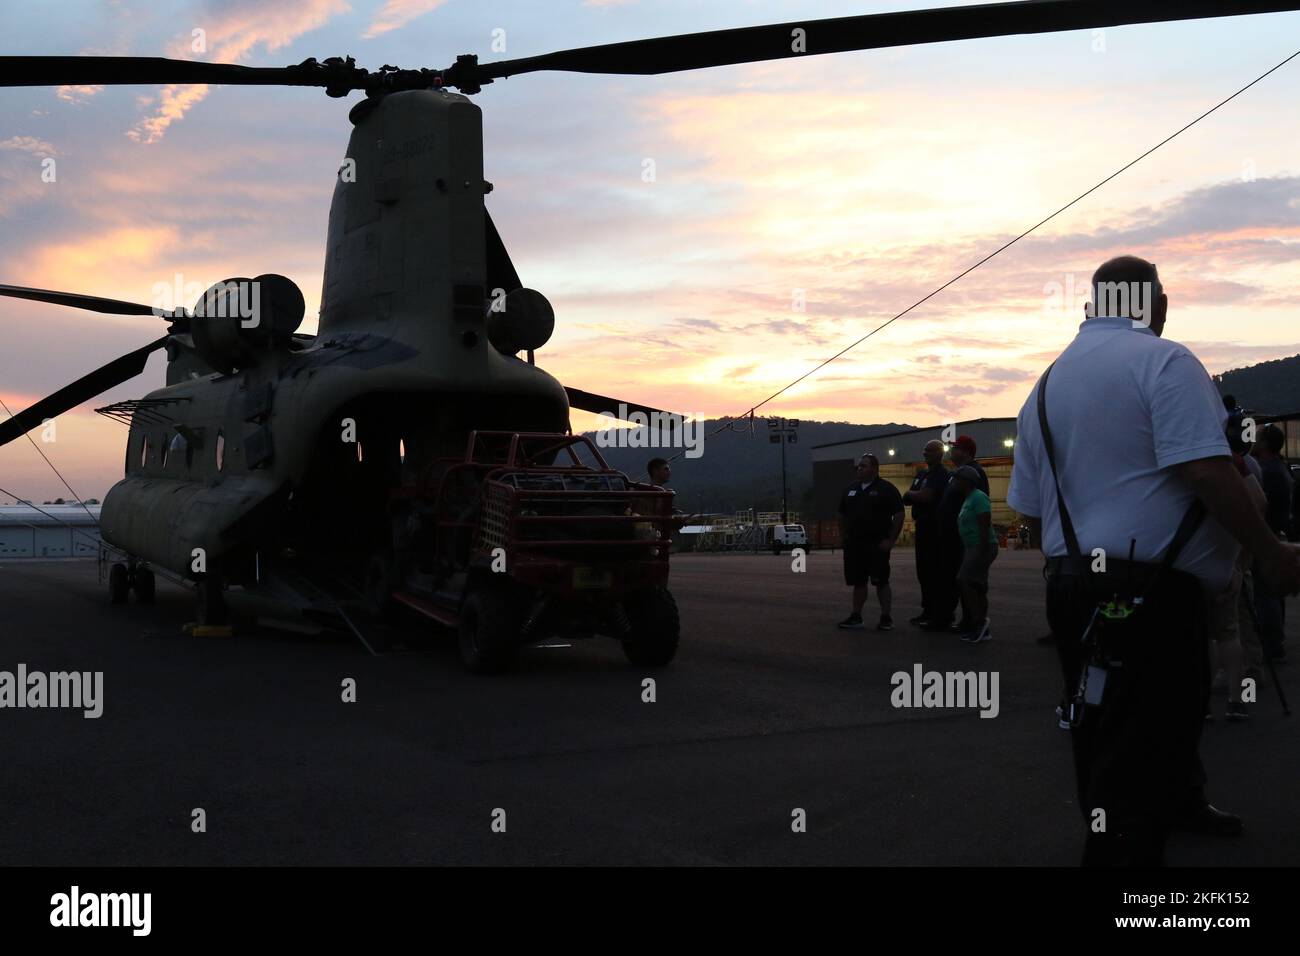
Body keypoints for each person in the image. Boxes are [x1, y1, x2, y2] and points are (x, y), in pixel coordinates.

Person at [1007, 254, 1300, 866]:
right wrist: (1269, 551)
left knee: (1110, 723)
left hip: (1073, 587)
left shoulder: (1046, 386)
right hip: (1150, 592)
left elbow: (1031, 511)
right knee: (1137, 749)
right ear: (1154, 303)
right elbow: (1205, 469)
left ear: (1091, 307)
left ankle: (1180, 802)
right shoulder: (1165, 362)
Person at [837, 454, 904, 631]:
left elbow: (899, 515)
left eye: (864, 466)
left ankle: (886, 617)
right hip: (854, 546)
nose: (860, 469)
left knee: (881, 581)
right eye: (859, 466)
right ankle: (856, 616)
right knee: (858, 582)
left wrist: (890, 540)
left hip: (877, 545)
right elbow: (841, 514)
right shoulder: (850, 489)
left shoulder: (887, 489)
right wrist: (843, 536)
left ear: (875, 468)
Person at [1251, 424, 1292, 662]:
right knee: (1274, 594)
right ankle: (1276, 641)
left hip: (1268, 535)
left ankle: (1271, 645)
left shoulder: (1268, 472)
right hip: (1277, 533)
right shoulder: (1280, 468)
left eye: (1257, 437)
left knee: (1265, 595)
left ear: (1265, 444)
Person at [902, 440, 952, 628]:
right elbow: (909, 498)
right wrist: (914, 494)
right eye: (924, 450)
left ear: (940, 453)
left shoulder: (941, 474)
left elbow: (925, 496)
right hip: (921, 528)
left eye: (929, 450)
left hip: (935, 529)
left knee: (935, 571)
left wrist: (912, 494)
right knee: (922, 571)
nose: (925, 453)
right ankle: (927, 609)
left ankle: (939, 613)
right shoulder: (922, 474)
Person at [951, 464, 998, 643]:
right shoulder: (968, 498)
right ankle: (981, 626)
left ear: (966, 481)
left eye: (957, 478)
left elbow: (984, 524)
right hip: (973, 546)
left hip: (981, 546)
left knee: (965, 580)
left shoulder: (978, 497)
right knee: (977, 584)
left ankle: (978, 622)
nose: (954, 482)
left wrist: (981, 551)